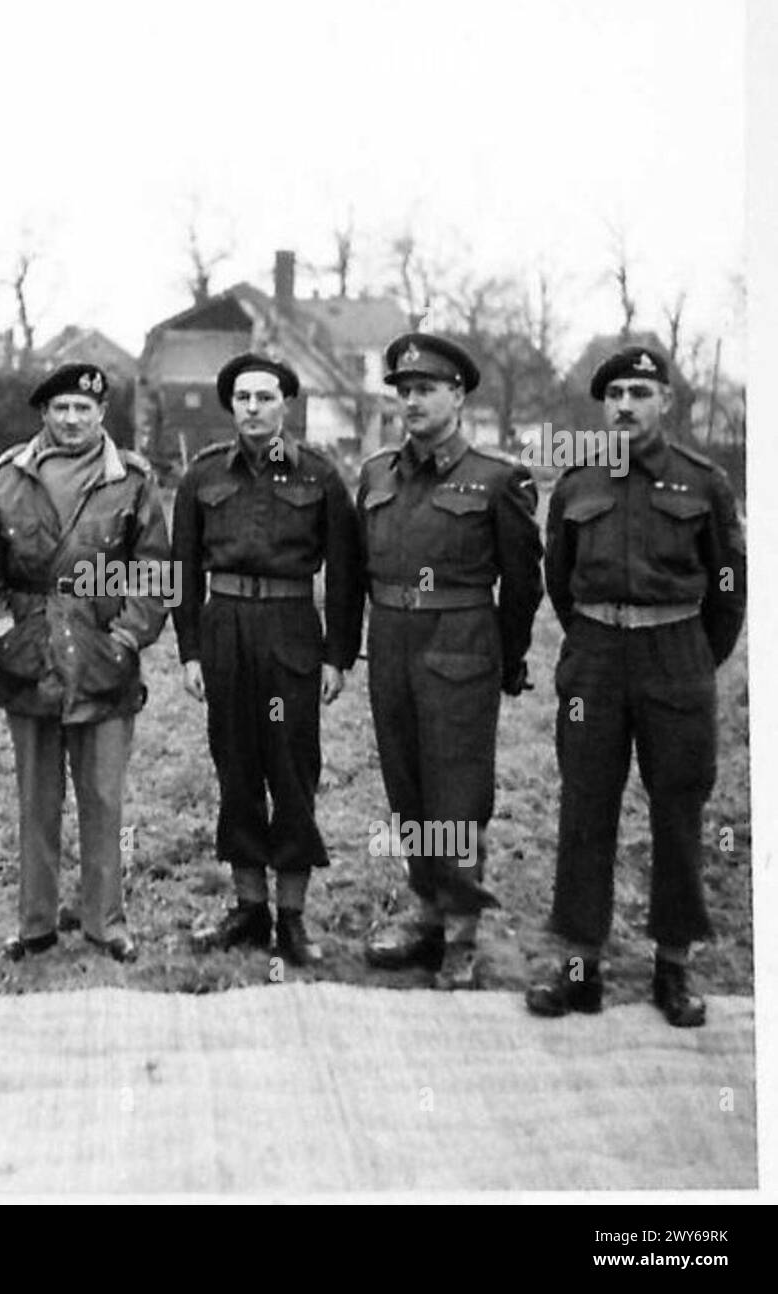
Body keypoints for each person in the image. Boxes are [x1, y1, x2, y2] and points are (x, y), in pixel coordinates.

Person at [526, 345, 746, 1026]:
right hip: (594, 654)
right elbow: (558, 579)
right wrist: (599, 633)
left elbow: (729, 585)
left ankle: (673, 968)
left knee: (679, 811)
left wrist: (689, 655)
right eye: (615, 392)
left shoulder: (703, 482)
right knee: (585, 806)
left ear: (667, 403)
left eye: (640, 392)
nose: (625, 404)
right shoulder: (578, 481)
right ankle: (578, 968)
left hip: (676, 651)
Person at [358, 331, 543, 989]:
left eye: (425, 390)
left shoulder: (497, 479)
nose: (411, 401)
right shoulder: (378, 474)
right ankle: (427, 915)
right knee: (407, 789)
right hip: (391, 647)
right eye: (404, 391)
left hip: (461, 646)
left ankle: (463, 934)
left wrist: (508, 655)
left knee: (457, 795)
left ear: (457, 396)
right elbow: (357, 567)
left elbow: (523, 581)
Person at [0, 362, 170, 963]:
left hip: (101, 655)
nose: (72, 419)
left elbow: (156, 570)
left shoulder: (131, 479)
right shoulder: (10, 474)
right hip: (30, 654)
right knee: (36, 798)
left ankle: (105, 921)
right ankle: (35, 923)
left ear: (101, 414)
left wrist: (129, 637)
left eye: (84, 409)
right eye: (60, 408)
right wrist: (2, 627)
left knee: (104, 798)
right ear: (44, 414)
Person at [171, 352, 364, 966]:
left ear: (287, 404)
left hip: (289, 632)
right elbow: (180, 572)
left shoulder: (319, 476)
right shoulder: (201, 477)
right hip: (224, 628)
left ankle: (293, 917)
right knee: (235, 765)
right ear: (232, 406)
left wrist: (337, 654)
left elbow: (346, 572)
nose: (253, 408)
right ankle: (248, 908)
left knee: (291, 767)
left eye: (266, 397)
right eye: (243, 398)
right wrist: (190, 652)